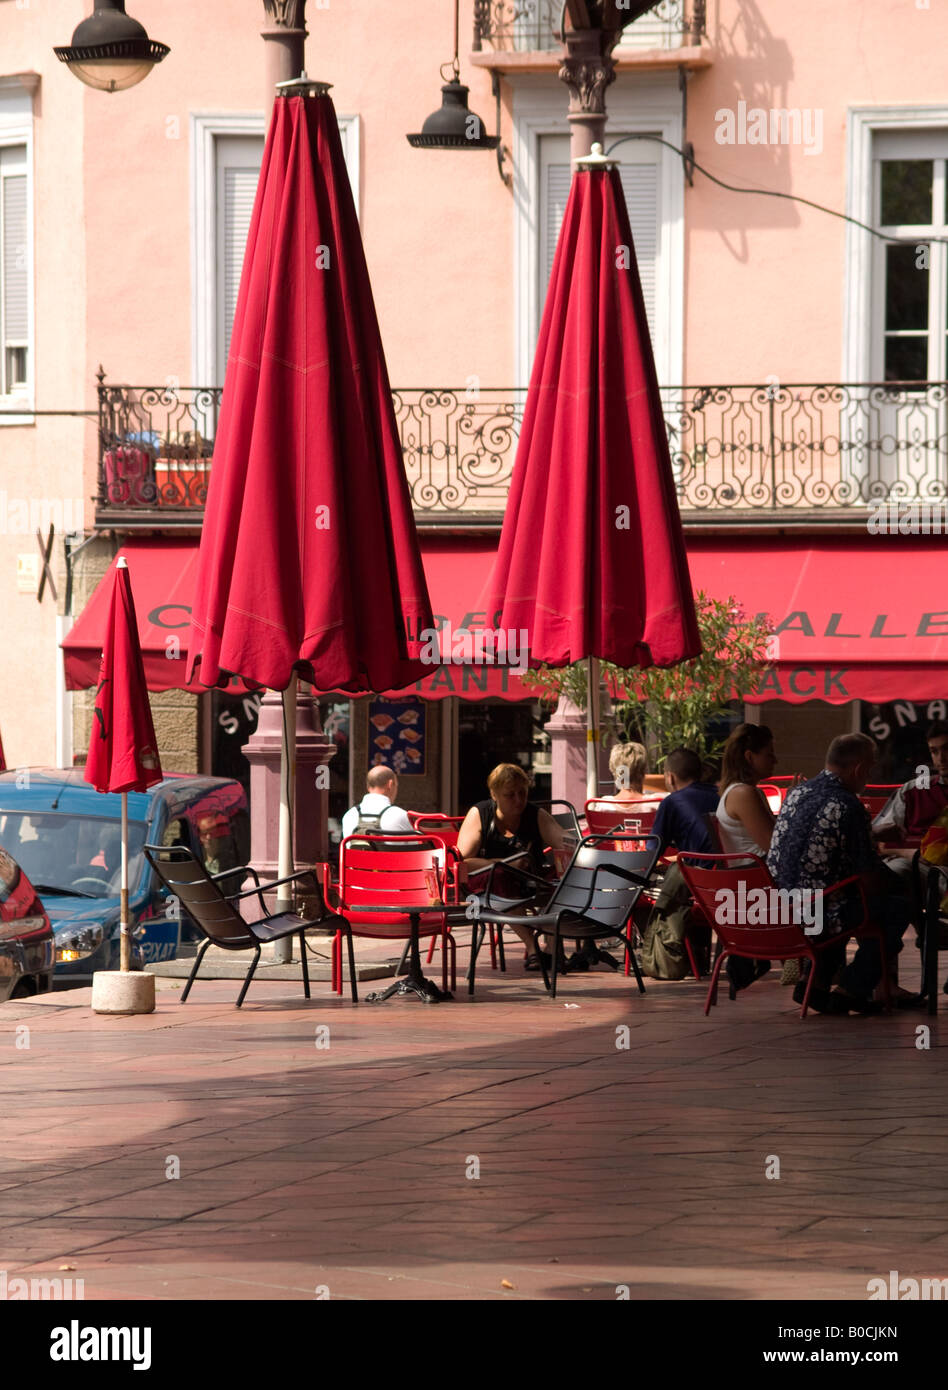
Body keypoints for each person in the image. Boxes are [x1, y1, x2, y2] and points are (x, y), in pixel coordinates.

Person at [767, 733, 919, 1014]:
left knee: (839, 898)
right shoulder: (848, 805)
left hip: (781, 910)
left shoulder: (796, 793)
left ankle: (815, 983)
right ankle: (851, 991)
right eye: (870, 768)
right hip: (817, 913)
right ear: (860, 768)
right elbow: (870, 878)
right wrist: (906, 887)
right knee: (895, 907)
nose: (868, 774)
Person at [456, 762, 565, 971]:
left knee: (563, 877)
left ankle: (551, 949)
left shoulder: (535, 815)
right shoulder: (480, 814)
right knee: (500, 876)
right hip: (487, 884)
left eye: (522, 793)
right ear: (494, 794)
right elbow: (462, 863)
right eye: (510, 795)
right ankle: (533, 947)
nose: (518, 800)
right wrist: (502, 864)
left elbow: (564, 842)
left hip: (529, 880)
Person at [872, 721, 948, 877]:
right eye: (934, 751)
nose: (941, 758)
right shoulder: (913, 791)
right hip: (916, 868)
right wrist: (910, 854)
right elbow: (880, 843)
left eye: (947, 749)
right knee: (896, 870)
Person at [716, 724, 778, 858]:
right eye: (769, 754)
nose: (775, 761)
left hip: (755, 874)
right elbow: (775, 848)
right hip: (749, 878)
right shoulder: (742, 794)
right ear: (749, 757)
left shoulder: (744, 791)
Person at [652, 747, 719, 855]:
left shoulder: (672, 802)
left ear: (670, 778)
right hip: (731, 867)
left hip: (697, 871)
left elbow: (653, 850)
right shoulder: (719, 793)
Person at [342, 765, 414, 839]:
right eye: (396, 785)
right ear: (390, 784)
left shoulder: (349, 816)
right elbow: (417, 847)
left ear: (368, 786)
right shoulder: (401, 815)